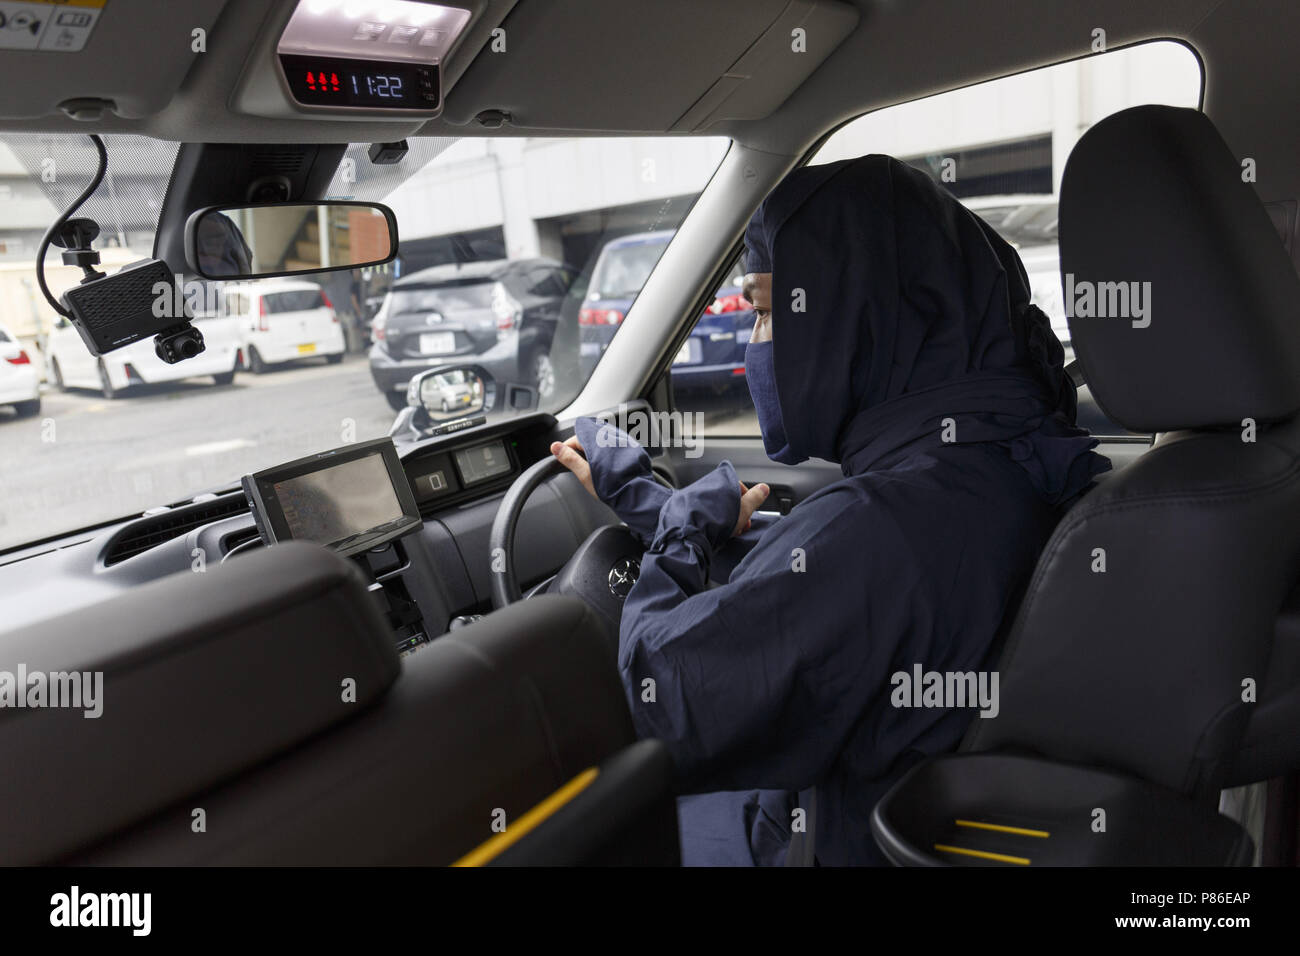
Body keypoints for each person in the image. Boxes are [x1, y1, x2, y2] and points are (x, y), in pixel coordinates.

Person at [550, 154, 1110, 865]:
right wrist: (650, 502)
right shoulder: (1003, 453)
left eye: (763, 312)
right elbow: (823, 596)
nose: (757, 347)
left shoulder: (886, 523)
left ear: (856, 308)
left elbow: (661, 703)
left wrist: (681, 530)